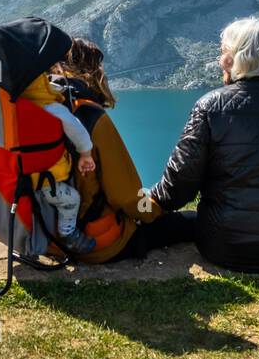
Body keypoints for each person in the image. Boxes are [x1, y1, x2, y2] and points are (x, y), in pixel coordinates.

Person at [149, 17, 259, 272]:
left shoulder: (210, 107)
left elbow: (178, 187)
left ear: (236, 58)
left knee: (175, 224)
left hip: (229, 246)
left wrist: (146, 203)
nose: (220, 60)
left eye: (223, 52)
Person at [55, 38, 196, 263]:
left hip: (50, 237)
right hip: (98, 242)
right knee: (191, 222)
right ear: (94, 72)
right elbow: (127, 198)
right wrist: (156, 209)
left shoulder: (45, 107)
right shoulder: (92, 118)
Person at [17, 66, 97, 253]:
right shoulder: (52, 109)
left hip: (18, 176)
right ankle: (68, 234)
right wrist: (86, 153)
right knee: (71, 199)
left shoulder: (11, 105)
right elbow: (76, 130)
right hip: (45, 180)